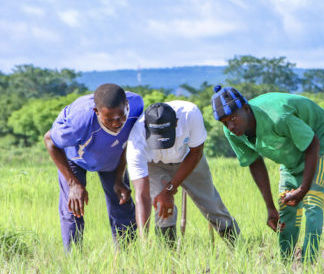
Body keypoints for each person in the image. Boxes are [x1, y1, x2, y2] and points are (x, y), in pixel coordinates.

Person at [211, 85, 324, 263]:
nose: (231, 126)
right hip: (291, 153)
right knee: (286, 206)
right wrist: (270, 207)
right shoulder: (232, 133)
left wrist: (303, 189)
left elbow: (312, 144)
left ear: (247, 109)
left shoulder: (278, 116)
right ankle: (285, 265)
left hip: (321, 140)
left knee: (312, 200)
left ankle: (310, 263)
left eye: (234, 118)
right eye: (225, 122)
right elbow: (254, 162)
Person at [43, 83, 144, 250]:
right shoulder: (78, 122)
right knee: (73, 208)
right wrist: (73, 184)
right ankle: (74, 261)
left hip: (112, 156)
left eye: (121, 117)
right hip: (75, 157)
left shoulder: (136, 105)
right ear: (96, 112)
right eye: (109, 119)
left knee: (122, 202)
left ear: (127, 105)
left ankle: (128, 257)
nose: (116, 123)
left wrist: (119, 178)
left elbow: (130, 142)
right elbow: (50, 141)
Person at [126, 101, 240, 245]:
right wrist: (144, 238)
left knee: (211, 204)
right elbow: (141, 195)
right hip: (155, 164)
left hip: (189, 158)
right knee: (162, 208)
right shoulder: (136, 140)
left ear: (176, 123)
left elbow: (196, 153)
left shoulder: (190, 114)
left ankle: (238, 248)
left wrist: (169, 189)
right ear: (147, 128)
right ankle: (168, 258)